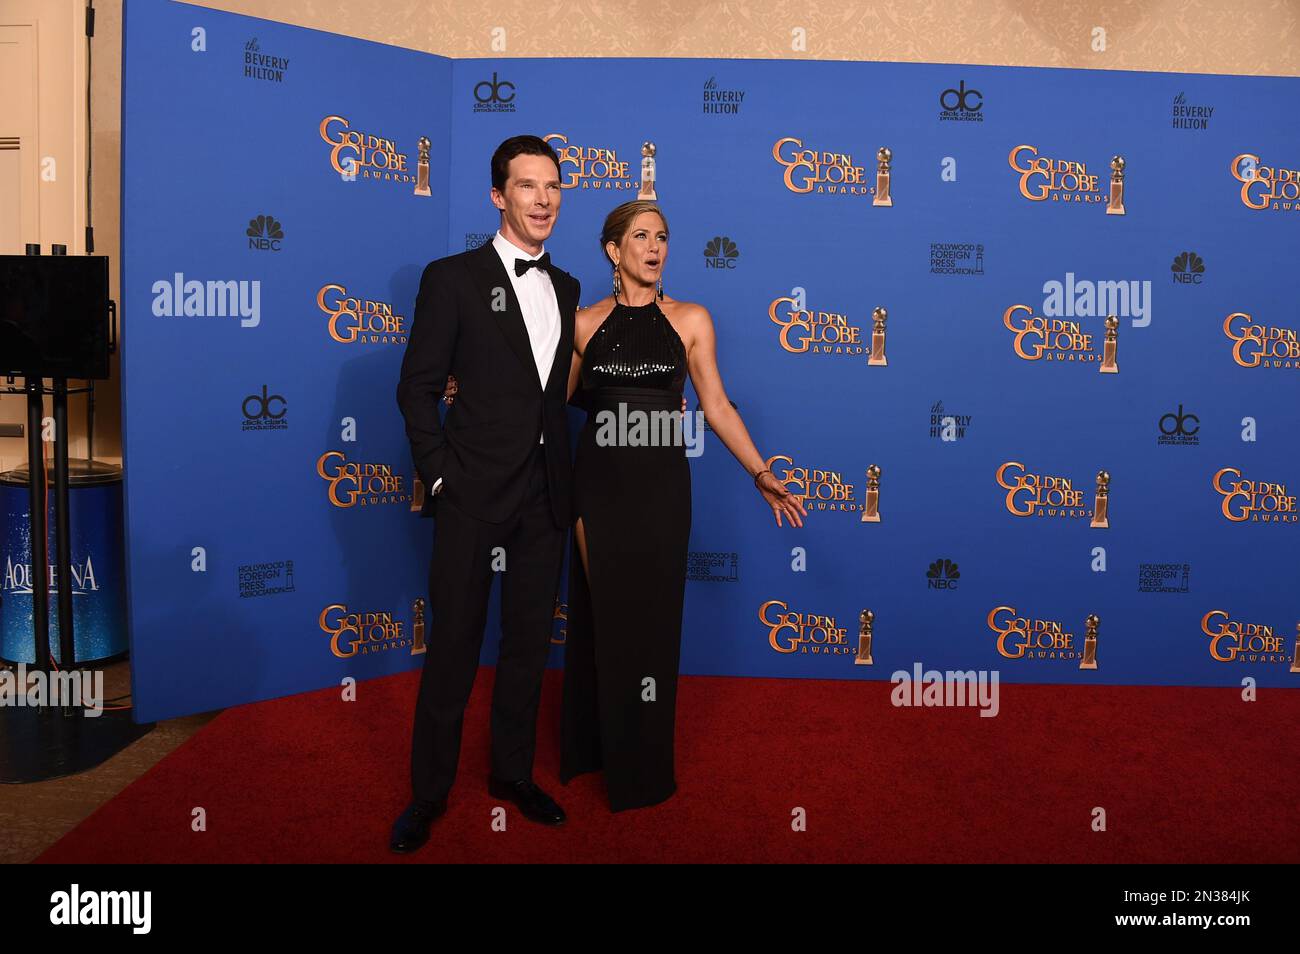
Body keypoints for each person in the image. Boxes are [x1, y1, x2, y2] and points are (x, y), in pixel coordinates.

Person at [559, 200, 806, 812]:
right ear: (613, 251)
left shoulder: (691, 318)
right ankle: (600, 753)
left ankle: (643, 768)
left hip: (662, 488)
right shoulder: (584, 324)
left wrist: (761, 472)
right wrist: (476, 391)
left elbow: (716, 405)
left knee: (655, 623)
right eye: (640, 236)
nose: (654, 246)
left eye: (662, 236)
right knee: (609, 621)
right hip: (598, 485)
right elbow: (546, 402)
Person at [390, 135, 579, 853]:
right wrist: (439, 473)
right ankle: (428, 795)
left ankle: (511, 776)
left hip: (543, 498)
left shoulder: (565, 287)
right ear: (499, 196)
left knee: (528, 648)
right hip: (472, 494)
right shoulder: (453, 278)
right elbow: (416, 388)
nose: (544, 199)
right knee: (454, 650)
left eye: (553, 185)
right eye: (528, 186)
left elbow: (550, 393)